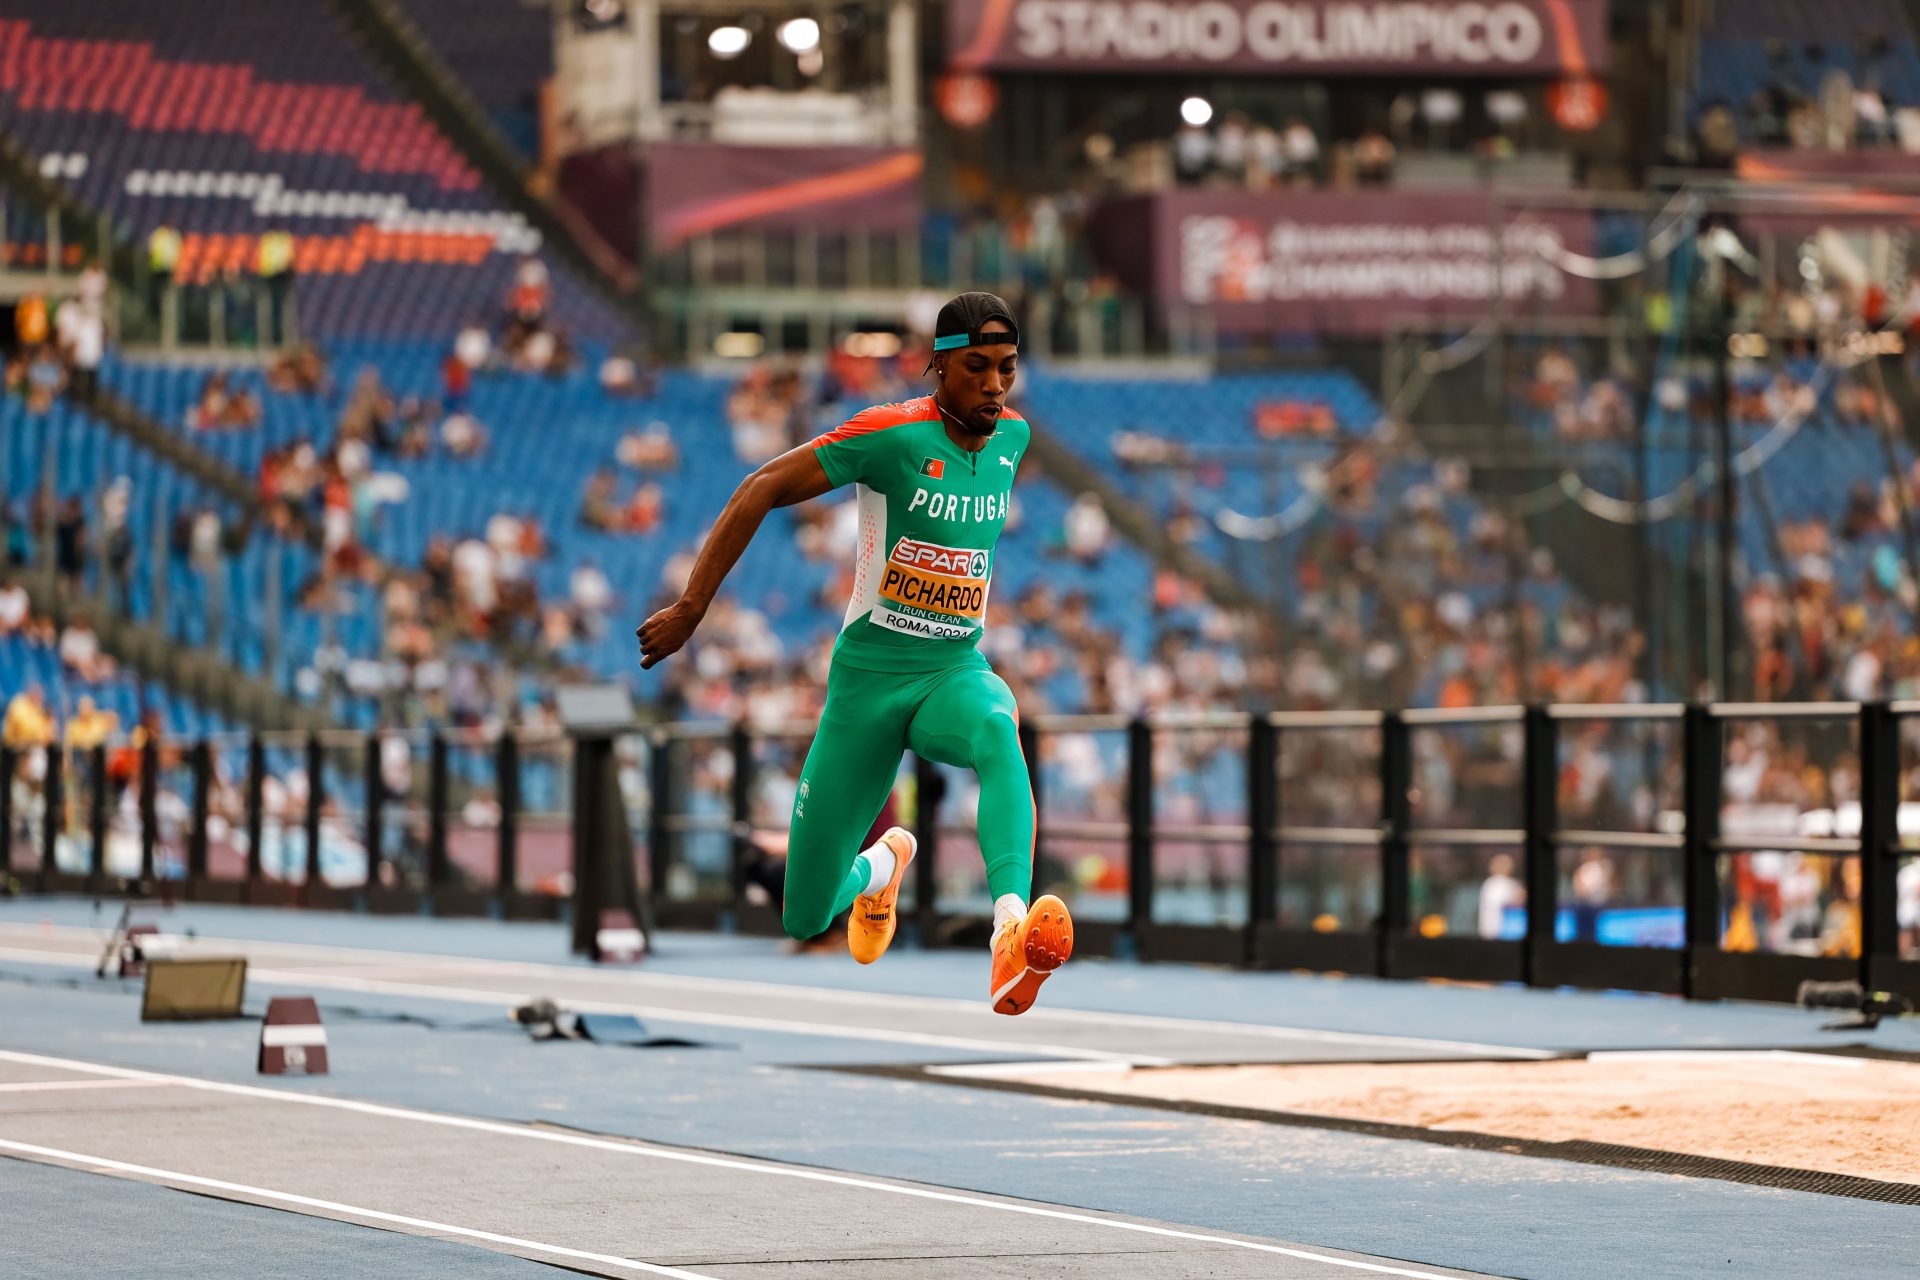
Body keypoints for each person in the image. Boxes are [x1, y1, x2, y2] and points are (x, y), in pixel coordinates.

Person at [638, 291, 1073, 1015]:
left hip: (953, 671)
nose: (996, 385)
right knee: (803, 914)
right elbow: (762, 486)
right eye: (977, 368)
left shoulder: (1013, 442)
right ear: (937, 368)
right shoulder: (892, 436)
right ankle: (881, 866)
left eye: (1007, 369)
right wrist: (692, 607)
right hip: (867, 687)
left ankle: (1009, 932)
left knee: (1001, 727)